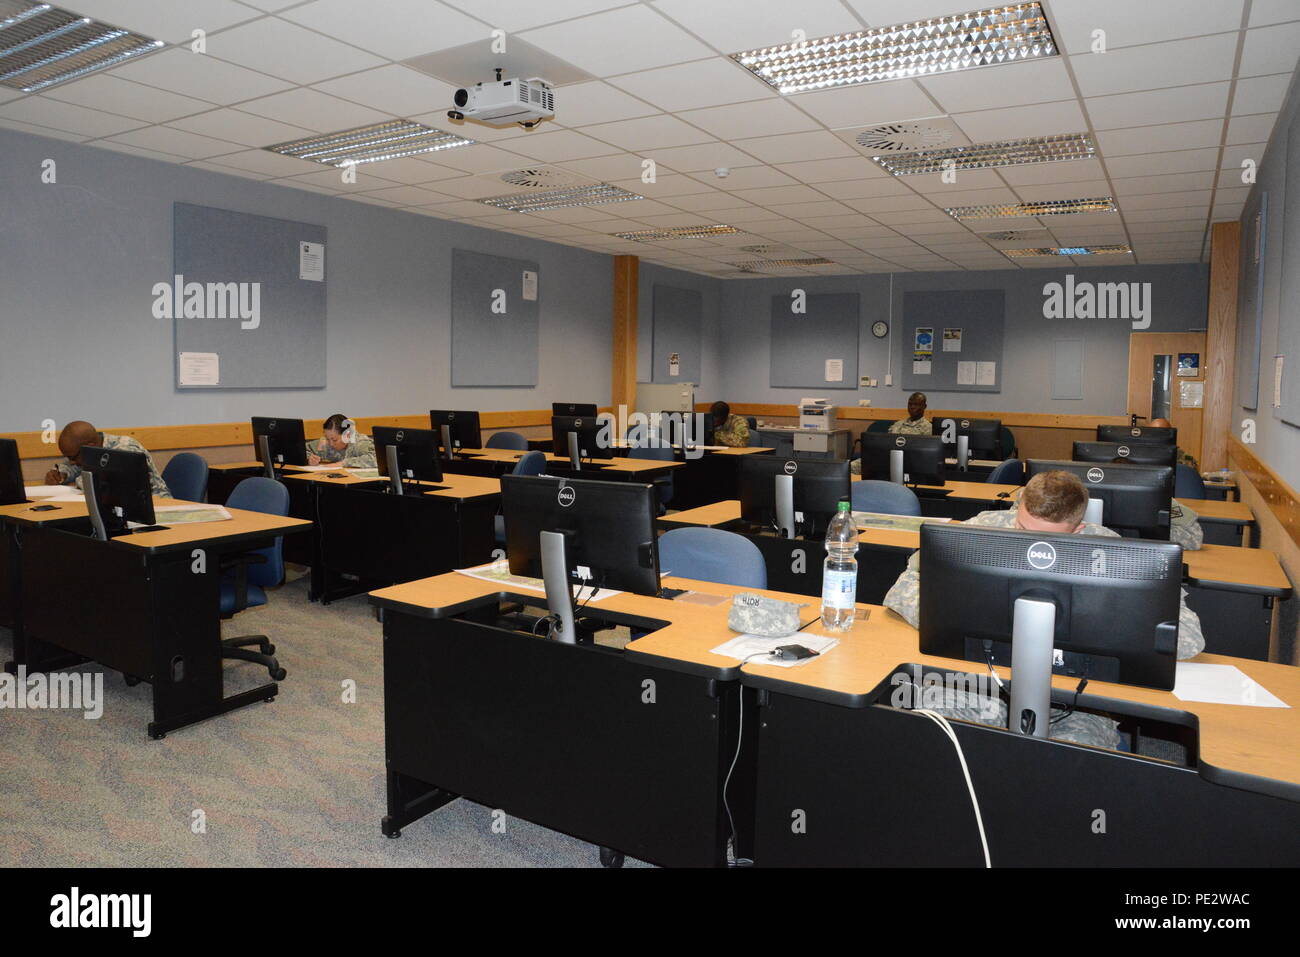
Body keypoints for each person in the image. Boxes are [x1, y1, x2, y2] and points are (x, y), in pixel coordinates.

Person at [882, 470, 1205, 751]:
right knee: (940, 736)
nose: (1030, 546)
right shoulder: (983, 530)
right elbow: (903, 588)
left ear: (1078, 529)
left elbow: (1189, 638)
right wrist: (956, 617)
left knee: (1067, 765)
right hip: (981, 677)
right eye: (1023, 529)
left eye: (1046, 539)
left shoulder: (1114, 553)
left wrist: (1098, 630)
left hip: (1078, 696)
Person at [43, 421, 171, 497]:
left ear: (89, 446)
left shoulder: (125, 449)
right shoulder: (92, 451)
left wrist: (79, 479)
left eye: (72, 457)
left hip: (159, 510)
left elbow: (100, 485)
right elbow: (73, 466)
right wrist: (61, 474)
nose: (71, 461)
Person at [306, 414, 376, 468]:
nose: (331, 444)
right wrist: (309, 459)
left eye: (334, 440)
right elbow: (301, 451)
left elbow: (378, 459)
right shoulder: (325, 442)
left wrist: (344, 463)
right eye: (327, 438)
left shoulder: (360, 443)